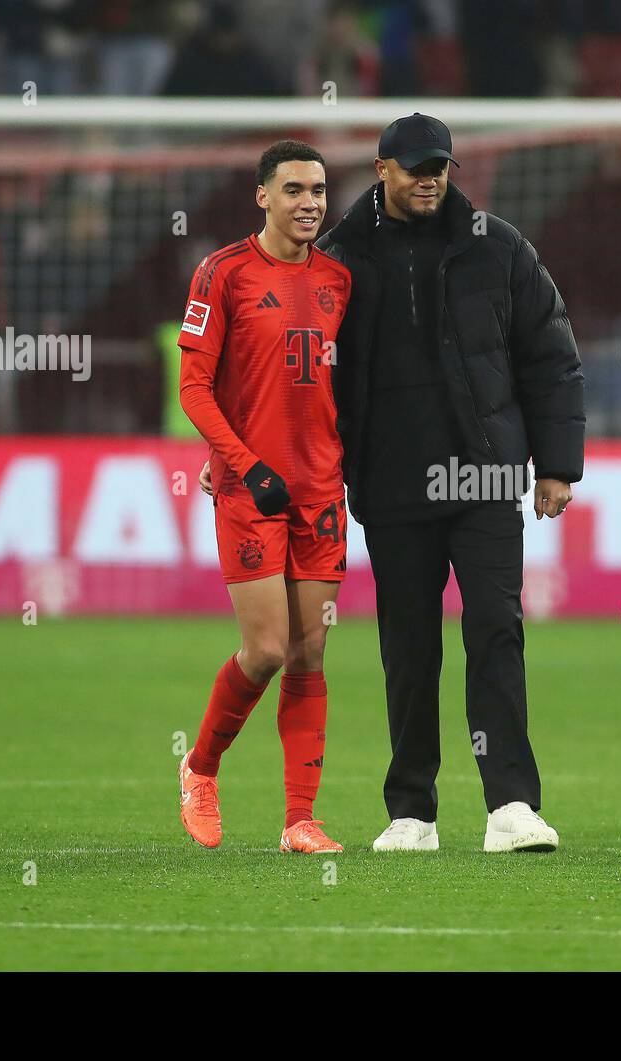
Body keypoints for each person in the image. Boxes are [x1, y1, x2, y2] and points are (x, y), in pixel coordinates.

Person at [316, 113, 585, 853]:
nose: (429, 177)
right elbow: (305, 373)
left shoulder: (498, 249)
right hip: (393, 479)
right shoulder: (339, 260)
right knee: (408, 644)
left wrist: (558, 463)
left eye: (439, 166)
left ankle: (511, 805)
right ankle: (412, 810)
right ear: (382, 171)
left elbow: (550, 354)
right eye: (414, 167)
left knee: (496, 626)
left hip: (483, 474)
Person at [177, 140, 351, 855]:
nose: (309, 201)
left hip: (321, 487)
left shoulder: (341, 279)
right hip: (251, 488)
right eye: (293, 190)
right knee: (268, 648)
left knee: (311, 650)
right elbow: (193, 388)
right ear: (263, 196)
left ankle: (299, 820)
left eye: (316, 190)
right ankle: (200, 767)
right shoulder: (222, 272)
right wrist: (244, 466)